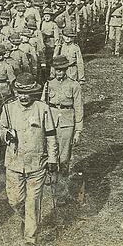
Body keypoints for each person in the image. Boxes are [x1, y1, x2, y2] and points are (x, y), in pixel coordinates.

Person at [0, 74, 58, 246]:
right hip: (14, 163)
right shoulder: (8, 108)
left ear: (33, 92)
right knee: (15, 200)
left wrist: (53, 159)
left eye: (27, 93)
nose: (23, 97)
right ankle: (28, 219)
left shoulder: (43, 109)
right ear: (15, 92)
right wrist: (5, 134)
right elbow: (0, 128)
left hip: (37, 163)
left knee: (33, 201)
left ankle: (30, 237)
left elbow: (51, 136)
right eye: (20, 93)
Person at [43, 56, 84, 184]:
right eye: (56, 70)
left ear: (66, 70)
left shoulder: (74, 85)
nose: (58, 73)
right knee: (50, 152)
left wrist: (78, 131)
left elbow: (78, 108)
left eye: (61, 70)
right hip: (51, 123)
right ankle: (52, 180)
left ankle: (62, 184)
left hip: (67, 123)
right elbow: (42, 105)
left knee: (64, 155)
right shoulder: (49, 84)